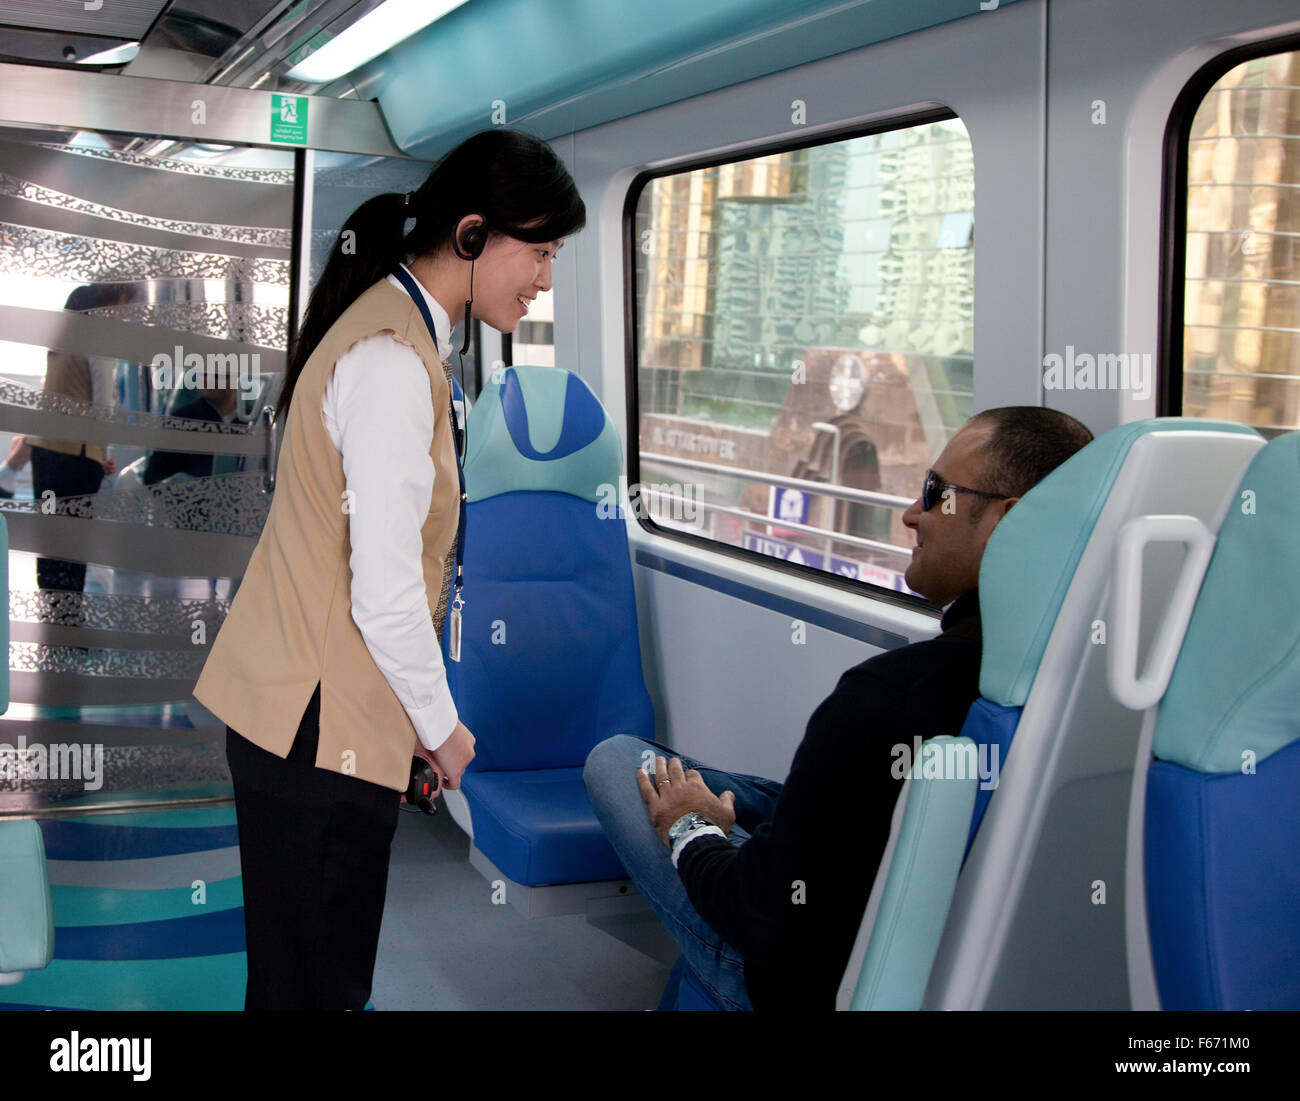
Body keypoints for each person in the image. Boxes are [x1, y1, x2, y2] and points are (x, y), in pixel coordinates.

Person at [193, 129, 586, 1010]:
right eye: (541, 252)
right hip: (311, 728)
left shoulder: (401, 335)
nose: (544, 279)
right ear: (474, 233)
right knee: (314, 990)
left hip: (312, 715)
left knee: (303, 983)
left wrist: (404, 712)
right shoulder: (391, 362)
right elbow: (384, 590)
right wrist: (442, 727)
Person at [583, 406, 1094, 1010]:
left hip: (798, 978)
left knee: (619, 763)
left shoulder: (888, 695)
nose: (911, 513)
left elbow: (760, 918)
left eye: (936, 492)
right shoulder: (1087, 679)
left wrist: (691, 829)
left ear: (1006, 524)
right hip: (941, 960)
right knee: (755, 796)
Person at [25, 285, 121, 592]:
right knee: (74, 538)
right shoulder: (99, 338)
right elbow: (103, 403)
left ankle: (51, 603)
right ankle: (68, 609)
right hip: (76, 456)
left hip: (45, 450)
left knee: (50, 531)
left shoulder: (60, 341)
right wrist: (104, 452)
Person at [143, 380, 243, 485]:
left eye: (218, 376)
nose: (209, 380)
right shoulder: (181, 422)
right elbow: (152, 476)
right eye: (204, 374)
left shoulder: (250, 423)